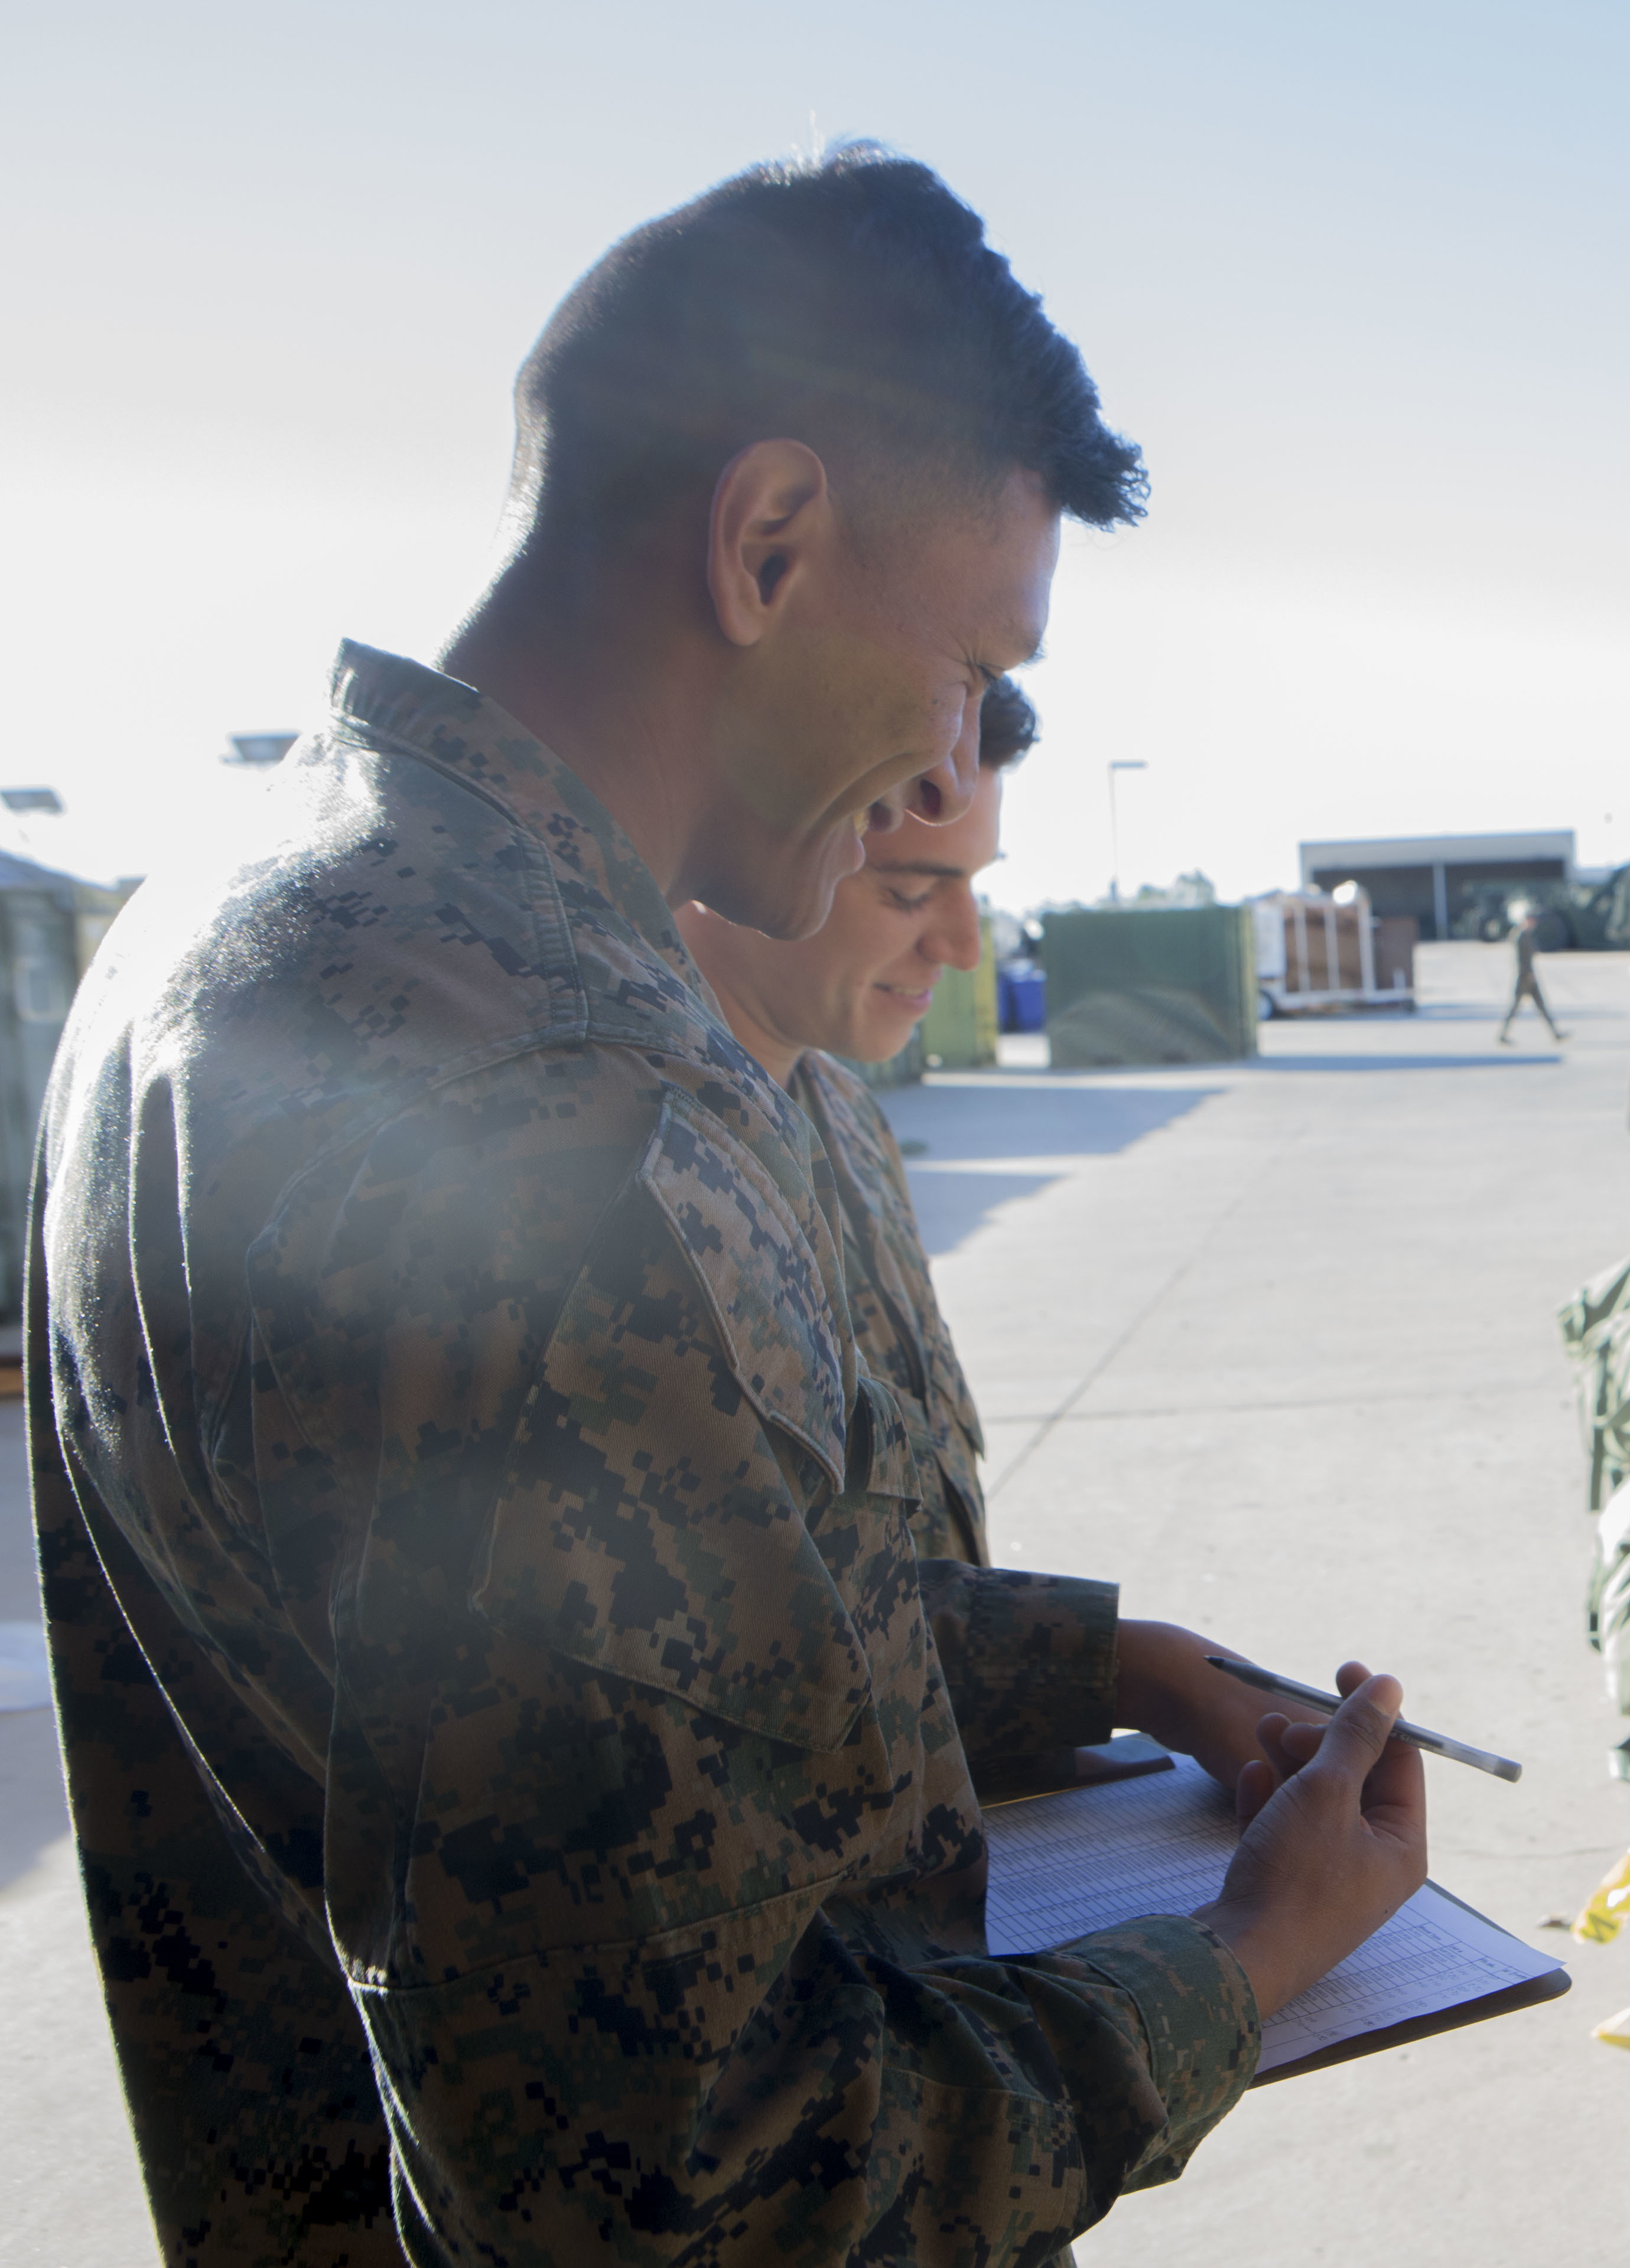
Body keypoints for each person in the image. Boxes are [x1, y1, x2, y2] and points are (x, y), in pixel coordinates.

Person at [30, 150, 1426, 2264]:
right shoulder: (566, 1114)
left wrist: (1111, 1659)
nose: (951, 755)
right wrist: (1241, 1962)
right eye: (970, 662)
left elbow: (582, 1663)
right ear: (767, 540)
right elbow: (709, 2193)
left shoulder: (219, 939)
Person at [675, 672, 1040, 1569]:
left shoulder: (846, 1111)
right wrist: (1112, 1666)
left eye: (973, 890)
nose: (963, 947)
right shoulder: (639, 1163)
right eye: (912, 893)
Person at [1499, 900, 1565, 1044]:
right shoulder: (1521, 936)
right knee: (1516, 1007)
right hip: (1525, 977)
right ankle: (1503, 1035)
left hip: (1529, 976)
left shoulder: (1526, 934)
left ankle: (1555, 1034)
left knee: (1541, 1006)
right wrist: (1528, 974)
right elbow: (1521, 959)